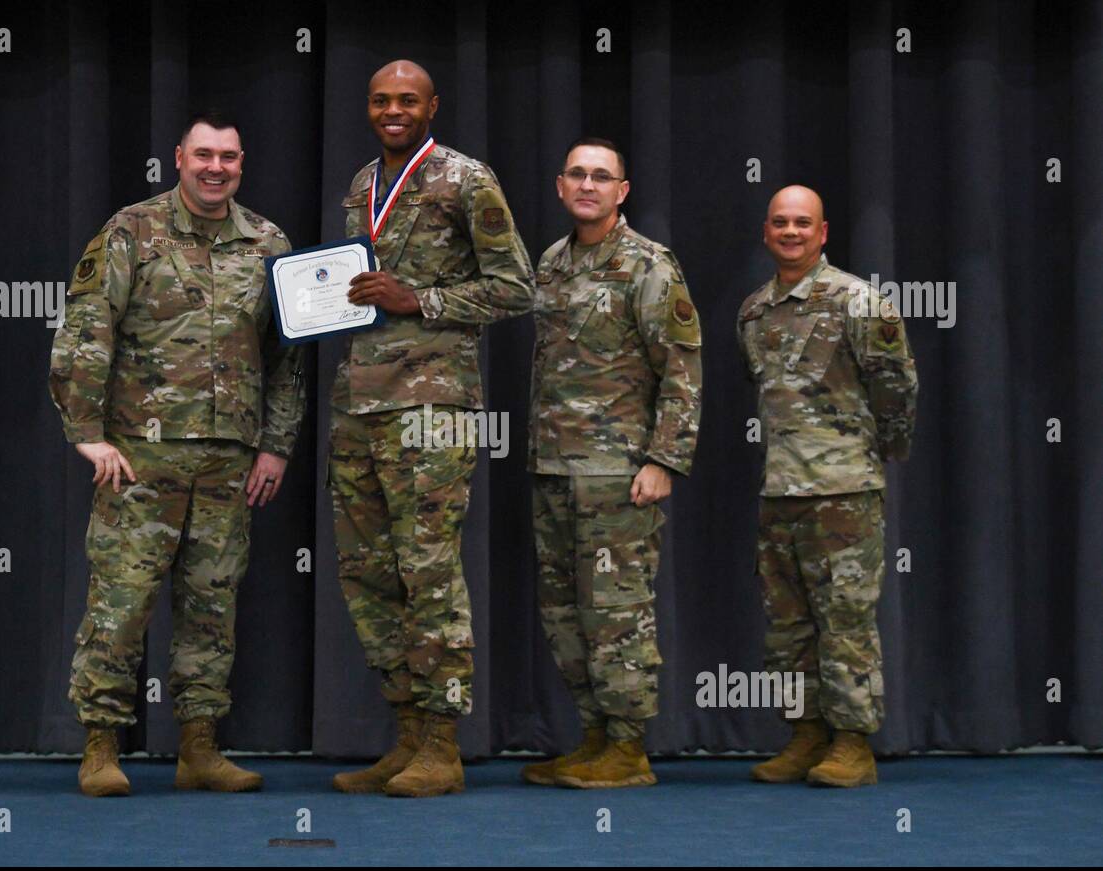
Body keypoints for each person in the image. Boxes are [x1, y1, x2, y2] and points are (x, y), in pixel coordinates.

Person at [49, 112, 305, 797]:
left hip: (230, 460)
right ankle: (100, 748)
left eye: (227, 156)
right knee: (121, 601)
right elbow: (85, 330)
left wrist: (275, 447)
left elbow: (287, 361)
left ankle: (199, 748)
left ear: (241, 164)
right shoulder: (132, 231)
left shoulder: (269, 243)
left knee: (211, 606)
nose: (214, 167)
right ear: (179, 159)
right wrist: (86, 431)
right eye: (203, 156)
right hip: (140, 456)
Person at [329, 60, 533, 797]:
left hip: (433, 408)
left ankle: (443, 746)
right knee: (370, 575)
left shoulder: (465, 180)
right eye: (381, 99)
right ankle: (406, 735)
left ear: (431, 106)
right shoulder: (360, 184)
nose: (393, 110)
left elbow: (516, 287)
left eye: (406, 101)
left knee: (429, 572)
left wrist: (424, 300)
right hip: (359, 402)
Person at [522, 138, 703, 788]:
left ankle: (628, 751)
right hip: (553, 468)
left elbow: (682, 370)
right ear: (560, 185)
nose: (589, 185)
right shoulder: (550, 263)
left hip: (619, 474)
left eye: (602, 176)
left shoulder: (648, 264)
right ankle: (594, 737)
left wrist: (664, 460)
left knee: (617, 611)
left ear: (622, 191)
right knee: (564, 612)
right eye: (578, 174)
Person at [737, 185, 918, 788]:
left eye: (802, 223)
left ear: (823, 231)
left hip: (844, 489)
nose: (790, 232)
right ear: (766, 232)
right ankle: (805, 734)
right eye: (780, 222)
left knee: (844, 621)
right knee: (787, 626)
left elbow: (896, 389)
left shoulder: (859, 302)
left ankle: (851, 744)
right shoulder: (753, 311)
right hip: (780, 489)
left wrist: (875, 454)